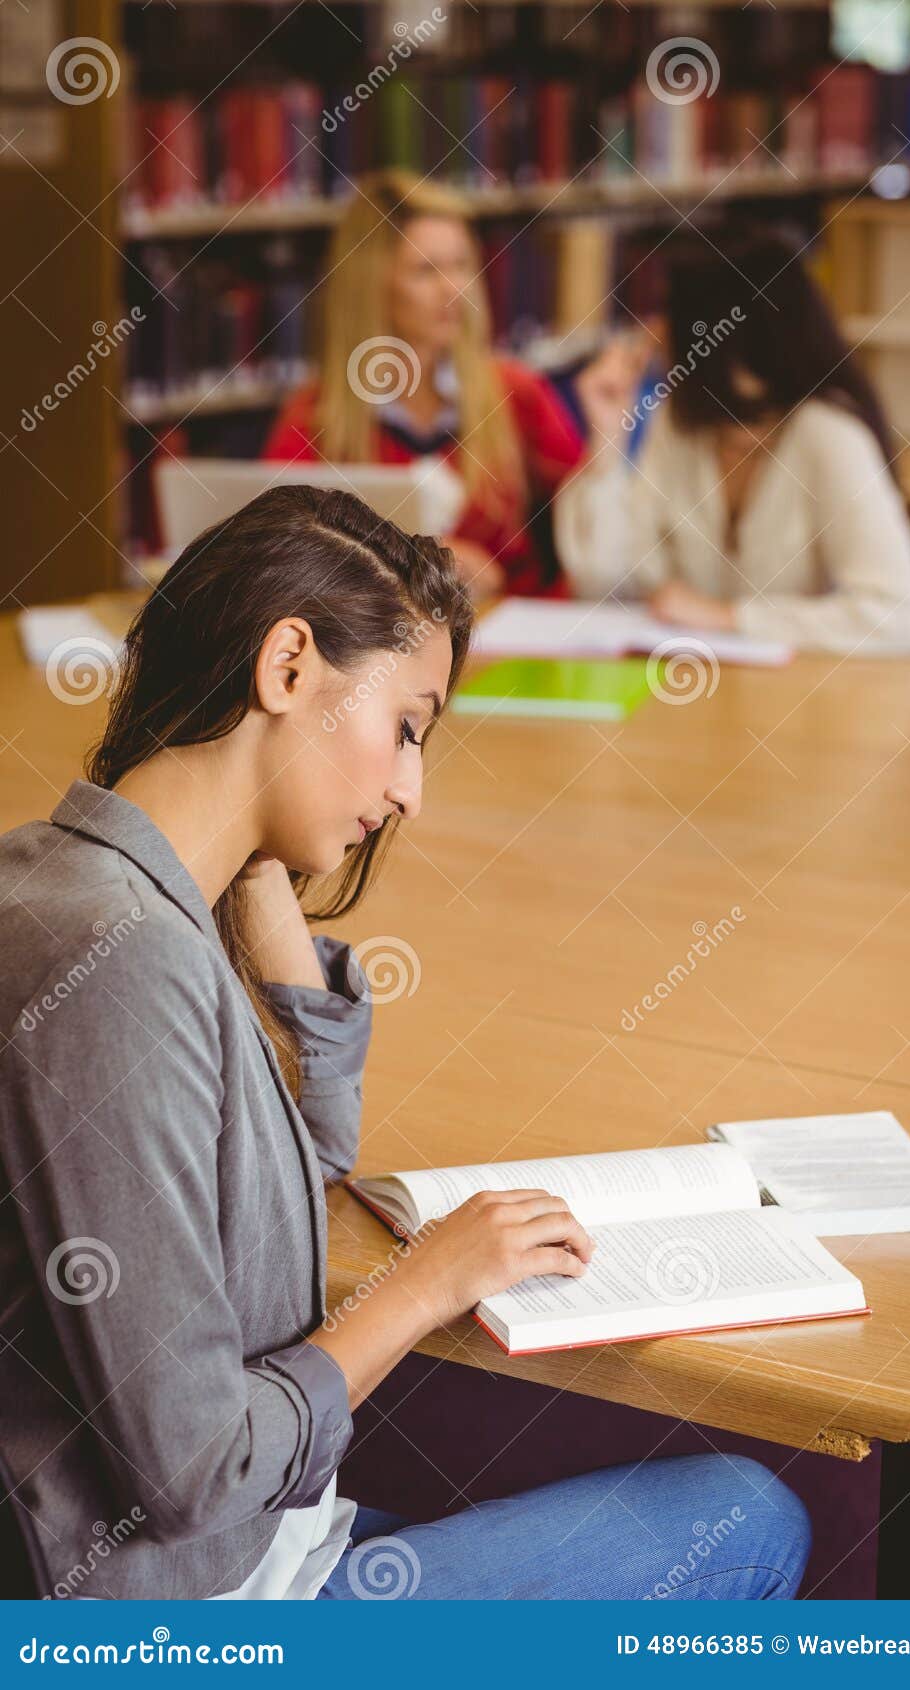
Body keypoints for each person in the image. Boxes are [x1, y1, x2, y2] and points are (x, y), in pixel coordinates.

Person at [0, 487, 810, 1601]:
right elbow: (196, 1466)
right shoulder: (118, 961)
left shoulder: (78, 884)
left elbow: (298, 1182)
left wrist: (251, 855)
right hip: (198, 1614)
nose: (409, 791)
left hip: (269, 1543)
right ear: (287, 667)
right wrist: (422, 1285)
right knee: (747, 1521)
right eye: (406, 727)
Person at [555, 230, 910, 656]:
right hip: (693, 696)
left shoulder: (828, 434)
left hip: (807, 705)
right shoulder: (683, 423)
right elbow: (604, 587)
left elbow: (902, 619)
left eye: (671, 315)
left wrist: (731, 618)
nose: (657, 333)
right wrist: (608, 441)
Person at [262, 170, 584, 602]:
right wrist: (416, 563)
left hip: (509, 635)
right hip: (375, 648)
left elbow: (591, 532)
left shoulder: (515, 393)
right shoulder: (315, 416)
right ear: (372, 286)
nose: (455, 290)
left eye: (461, 266)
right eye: (425, 271)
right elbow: (277, 561)